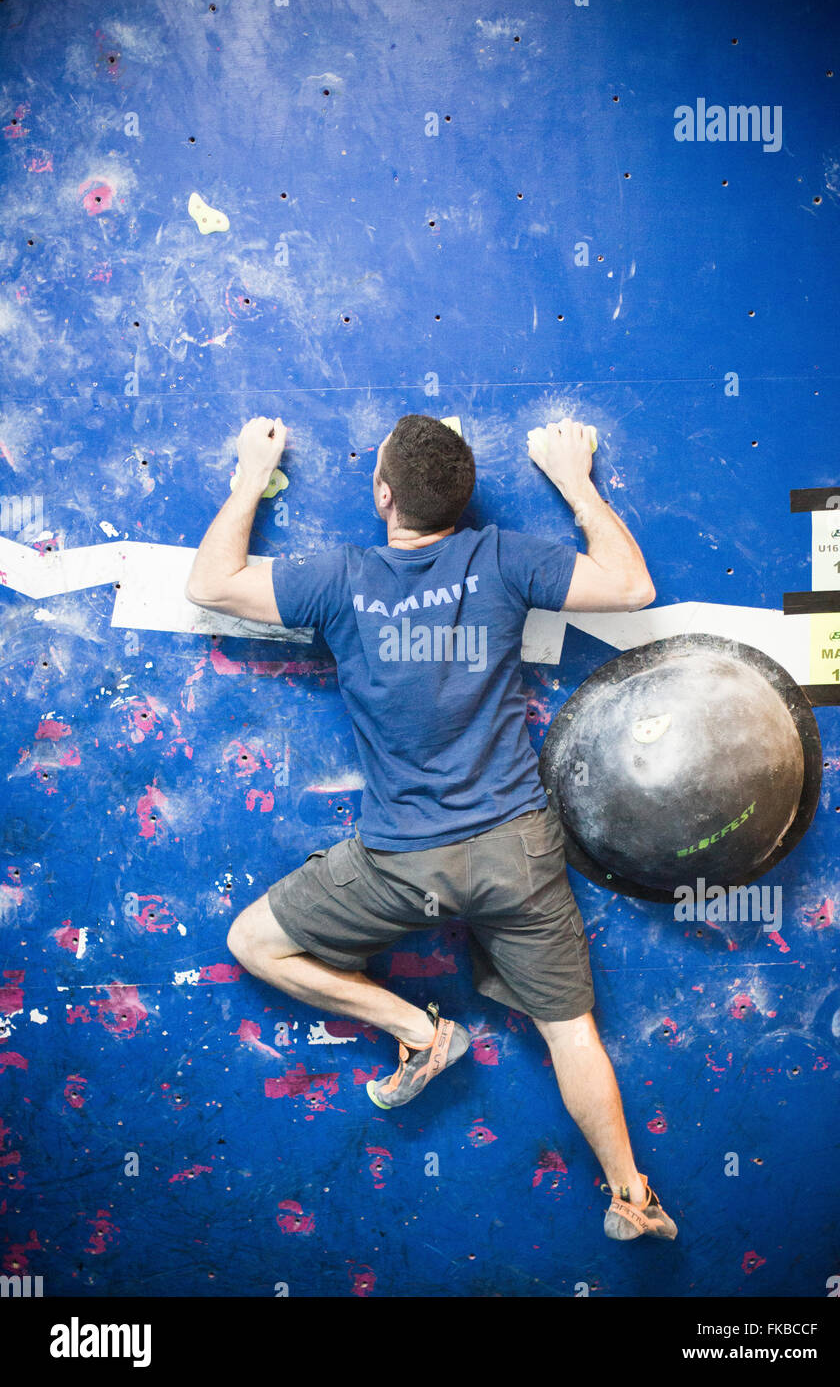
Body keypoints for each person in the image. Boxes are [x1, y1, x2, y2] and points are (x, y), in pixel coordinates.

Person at [185, 412, 677, 1242]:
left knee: (253, 942)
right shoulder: (501, 557)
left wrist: (248, 475)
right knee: (570, 1030)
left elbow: (212, 583)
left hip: (404, 864)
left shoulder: (338, 578)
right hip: (517, 850)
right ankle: (632, 1197)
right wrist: (572, 480)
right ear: (466, 500)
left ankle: (417, 1032)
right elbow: (631, 587)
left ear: (382, 495)